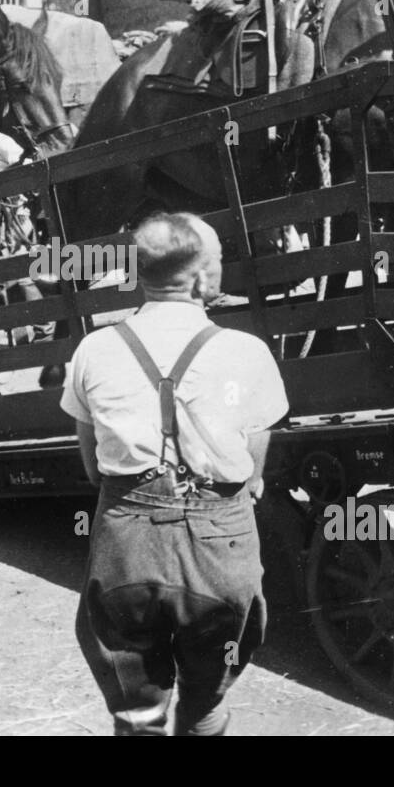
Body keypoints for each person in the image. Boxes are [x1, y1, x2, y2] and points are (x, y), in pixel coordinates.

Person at [63, 212, 289, 736]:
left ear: (139, 274)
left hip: (126, 544)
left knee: (136, 711)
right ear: (200, 279)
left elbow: (91, 463)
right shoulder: (246, 351)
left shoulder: (93, 349)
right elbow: (254, 469)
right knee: (206, 702)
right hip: (221, 548)